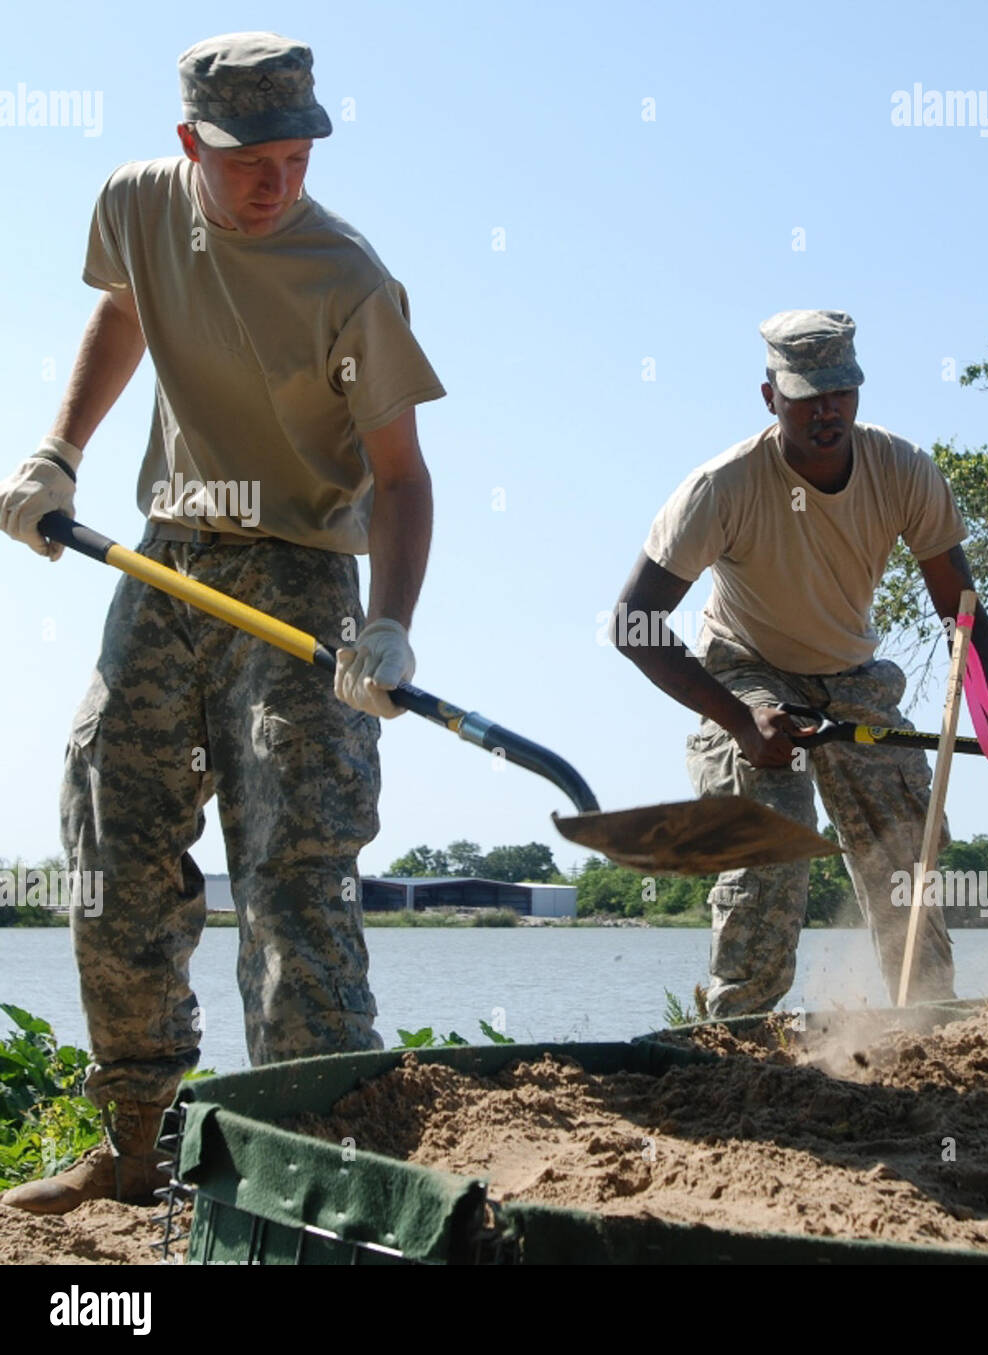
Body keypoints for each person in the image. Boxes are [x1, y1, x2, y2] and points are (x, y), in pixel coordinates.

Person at [0, 32, 444, 1213]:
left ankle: (324, 1168)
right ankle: (134, 1145)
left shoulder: (348, 276)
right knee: (113, 821)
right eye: (252, 159)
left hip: (302, 574)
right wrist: (60, 450)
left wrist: (389, 627)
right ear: (190, 142)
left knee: (295, 860)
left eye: (299, 156)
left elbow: (402, 476)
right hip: (172, 558)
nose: (279, 181)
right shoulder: (138, 204)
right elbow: (125, 313)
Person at [612, 309, 988, 1018]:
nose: (826, 410)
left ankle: (926, 1025)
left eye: (840, 392)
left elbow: (961, 613)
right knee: (772, 831)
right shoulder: (720, 487)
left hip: (851, 676)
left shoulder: (902, 470)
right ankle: (742, 1030)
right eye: (807, 394)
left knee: (905, 850)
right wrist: (739, 718)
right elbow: (634, 623)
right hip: (746, 670)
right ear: (770, 397)